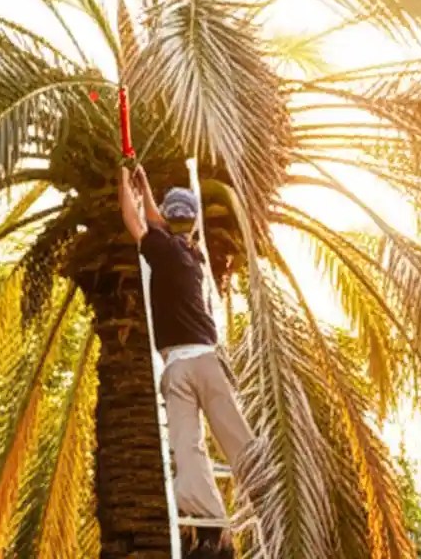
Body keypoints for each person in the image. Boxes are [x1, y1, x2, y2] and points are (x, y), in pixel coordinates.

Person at [118, 165, 255, 557]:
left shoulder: (161, 249)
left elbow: (134, 218)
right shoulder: (192, 252)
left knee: (187, 447)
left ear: (171, 217)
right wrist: (142, 184)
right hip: (208, 362)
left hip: (179, 367)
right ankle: (247, 512)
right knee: (234, 435)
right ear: (192, 222)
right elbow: (158, 220)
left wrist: (124, 182)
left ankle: (213, 528)